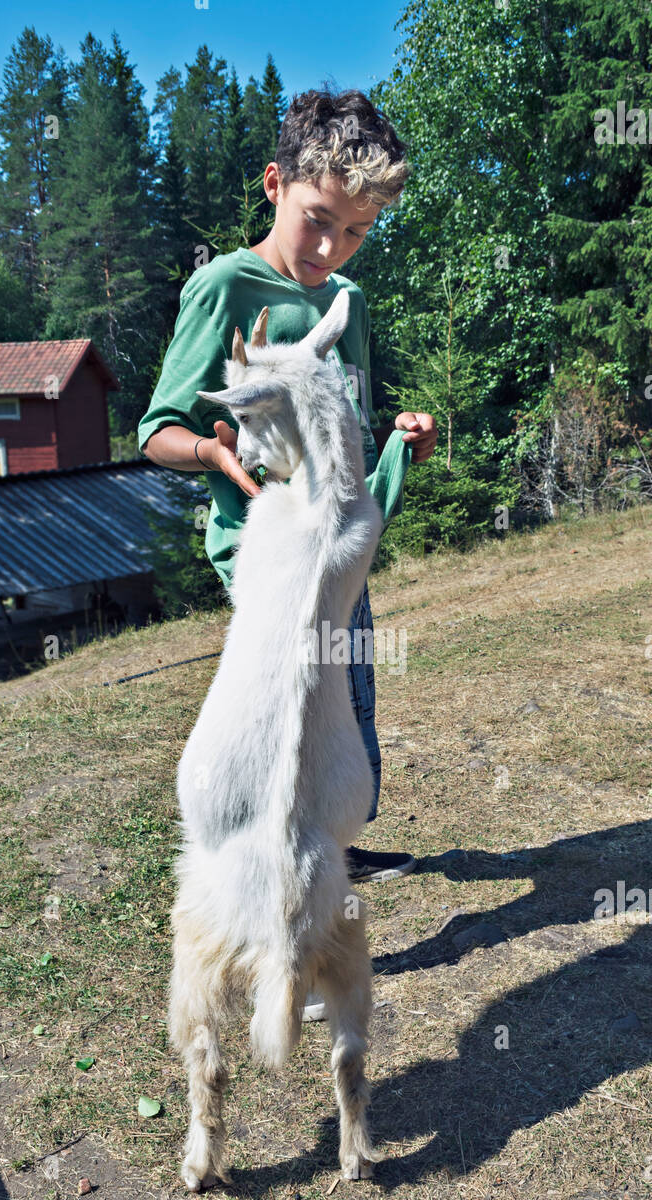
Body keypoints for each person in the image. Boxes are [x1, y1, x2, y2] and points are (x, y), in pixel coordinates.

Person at [138, 87, 438, 900]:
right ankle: (272, 878)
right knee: (290, 717)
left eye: (357, 232)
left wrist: (400, 441)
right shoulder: (226, 289)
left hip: (339, 544)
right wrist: (210, 447)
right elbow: (158, 428)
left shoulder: (350, 305)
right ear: (275, 185)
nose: (332, 247)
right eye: (319, 218)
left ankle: (329, 847)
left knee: (347, 701)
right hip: (268, 554)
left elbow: (347, 434)